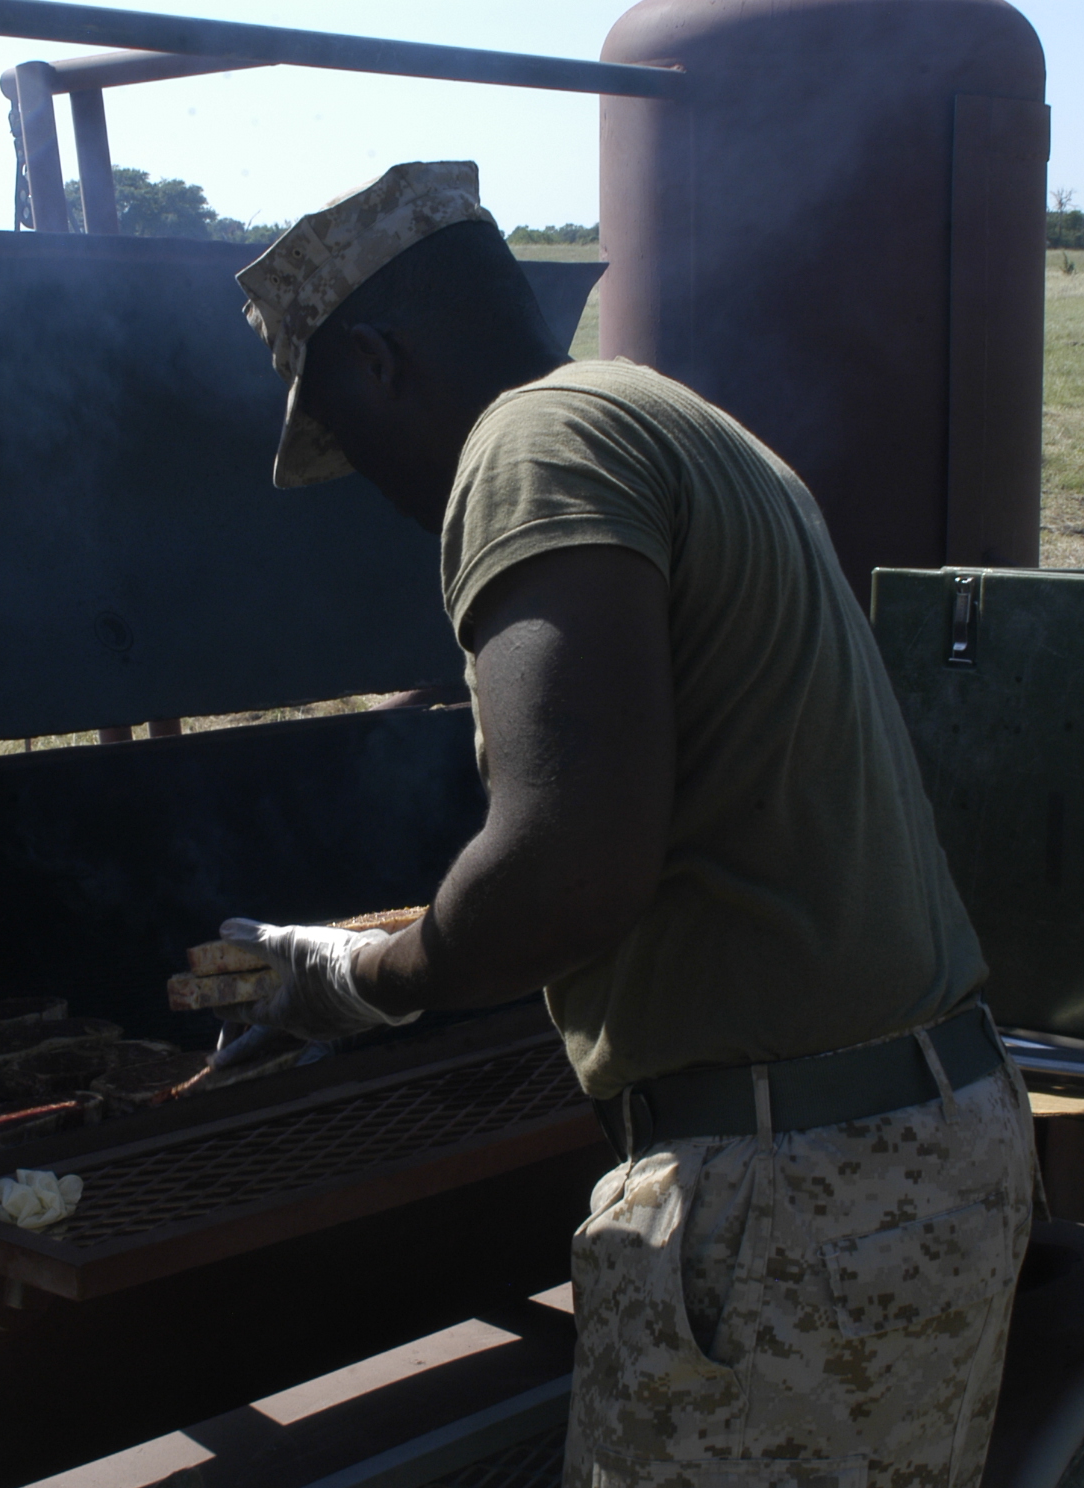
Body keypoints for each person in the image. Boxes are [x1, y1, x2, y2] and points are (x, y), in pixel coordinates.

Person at [218, 161, 1036, 1488]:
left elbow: (565, 872)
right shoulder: (661, 412)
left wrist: (360, 980)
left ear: (377, 360)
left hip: (790, 1193)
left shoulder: (530, 451)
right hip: (911, 1145)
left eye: (346, 436)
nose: (368, 481)